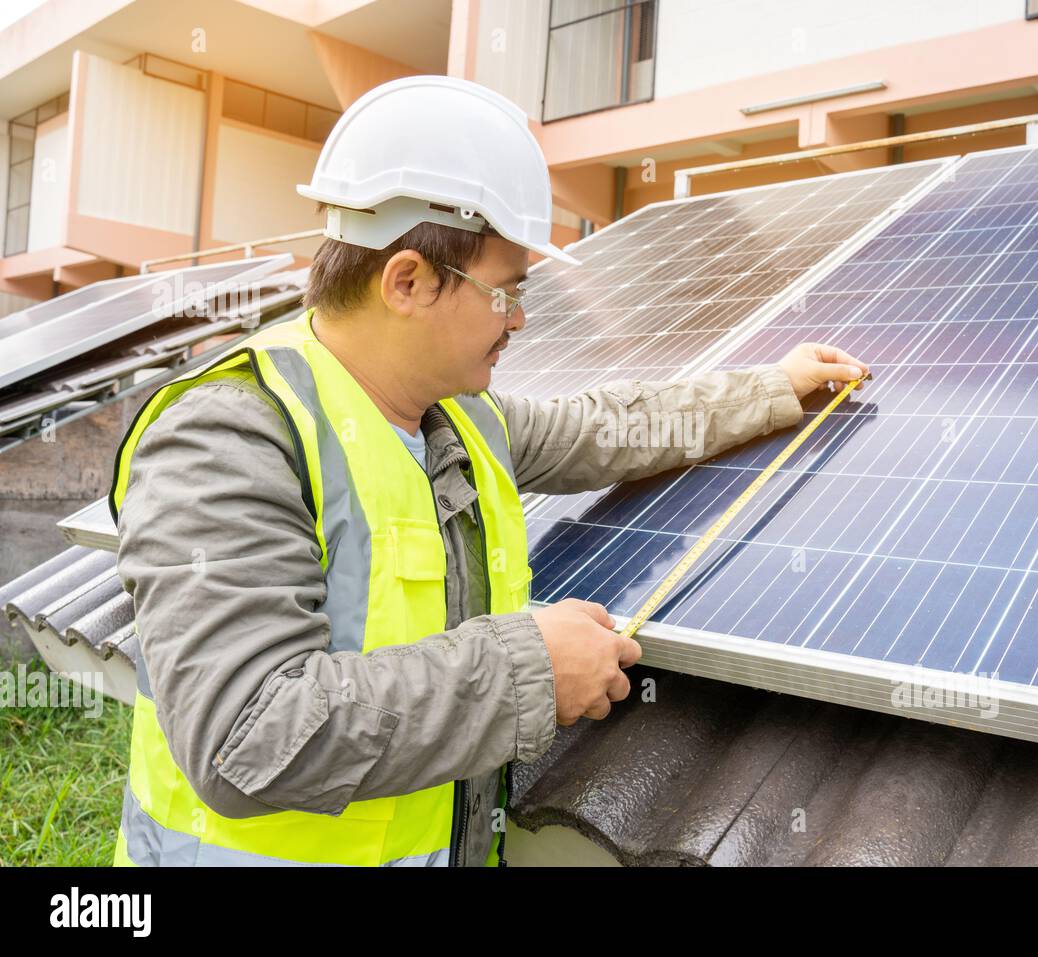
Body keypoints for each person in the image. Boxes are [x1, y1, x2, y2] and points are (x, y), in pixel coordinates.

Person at [109, 75, 868, 867]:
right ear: (408, 281)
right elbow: (247, 733)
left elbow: (605, 428)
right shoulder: (227, 434)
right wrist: (529, 669)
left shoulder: (460, 416)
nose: (521, 319)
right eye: (506, 291)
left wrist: (771, 388)